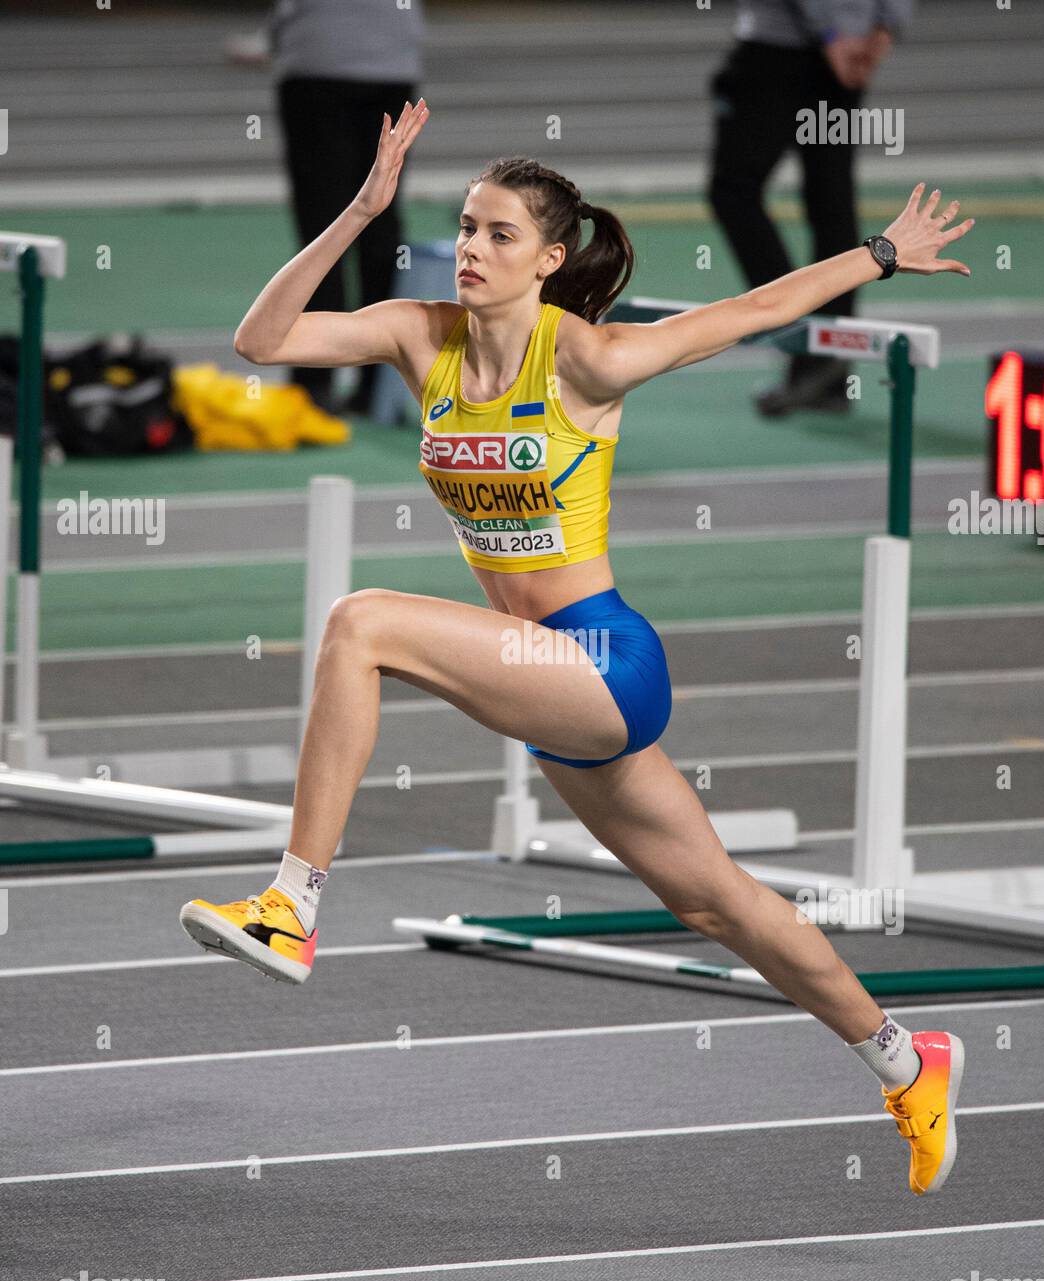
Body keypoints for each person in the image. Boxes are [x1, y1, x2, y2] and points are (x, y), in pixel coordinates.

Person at [180, 99, 975, 1196]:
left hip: (602, 662)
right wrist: (361, 210)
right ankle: (906, 1060)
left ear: (550, 260)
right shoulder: (419, 335)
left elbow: (751, 310)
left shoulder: (588, 360)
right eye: (465, 226)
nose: (471, 247)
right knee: (716, 902)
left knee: (362, 622)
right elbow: (261, 342)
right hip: (538, 678)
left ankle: (292, 904)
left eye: (499, 234)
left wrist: (878, 253)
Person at [709, 0, 913, 416]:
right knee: (830, 201)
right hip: (850, 50)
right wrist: (884, 27)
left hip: (780, 50)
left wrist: (831, 31)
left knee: (733, 189)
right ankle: (828, 368)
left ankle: (801, 335)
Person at [268, 0, 426, 415]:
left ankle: (314, 383)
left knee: (324, 230)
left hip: (319, 56)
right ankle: (381, 383)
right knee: (382, 227)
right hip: (391, 59)